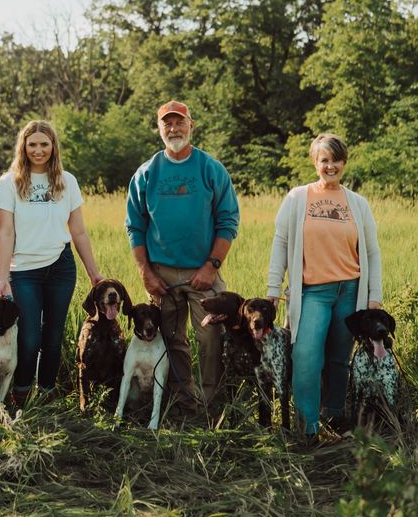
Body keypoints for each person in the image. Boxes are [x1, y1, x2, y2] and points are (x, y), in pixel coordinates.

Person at [125, 100, 240, 417]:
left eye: (179, 122)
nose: (173, 129)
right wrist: (146, 272)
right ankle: (182, 403)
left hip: (203, 272)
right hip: (161, 274)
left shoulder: (210, 169)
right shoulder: (147, 173)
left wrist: (211, 266)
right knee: (172, 340)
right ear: (159, 129)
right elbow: (135, 226)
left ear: (191, 125)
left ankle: (209, 405)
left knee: (210, 339)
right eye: (167, 124)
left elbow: (228, 221)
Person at [266, 133, 382, 436]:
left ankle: (333, 417)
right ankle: (308, 428)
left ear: (344, 162)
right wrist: (273, 290)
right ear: (315, 162)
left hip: (350, 291)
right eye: (324, 160)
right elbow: (280, 242)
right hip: (312, 292)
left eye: (336, 160)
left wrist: (374, 297)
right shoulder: (297, 198)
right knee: (305, 356)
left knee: (339, 358)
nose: (330, 166)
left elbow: (371, 251)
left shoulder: (358, 203)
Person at [0, 120, 103, 402]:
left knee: (53, 337)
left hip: (61, 267)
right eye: (32, 144)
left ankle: (46, 394)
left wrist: (95, 274)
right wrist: (2, 277)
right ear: (24, 147)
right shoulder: (10, 182)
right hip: (24, 272)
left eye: (44, 144)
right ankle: (20, 395)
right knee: (29, 339)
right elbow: (6, 232)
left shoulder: (67, 181)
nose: (38, 150)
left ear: (53, 146)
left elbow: (78, 231)